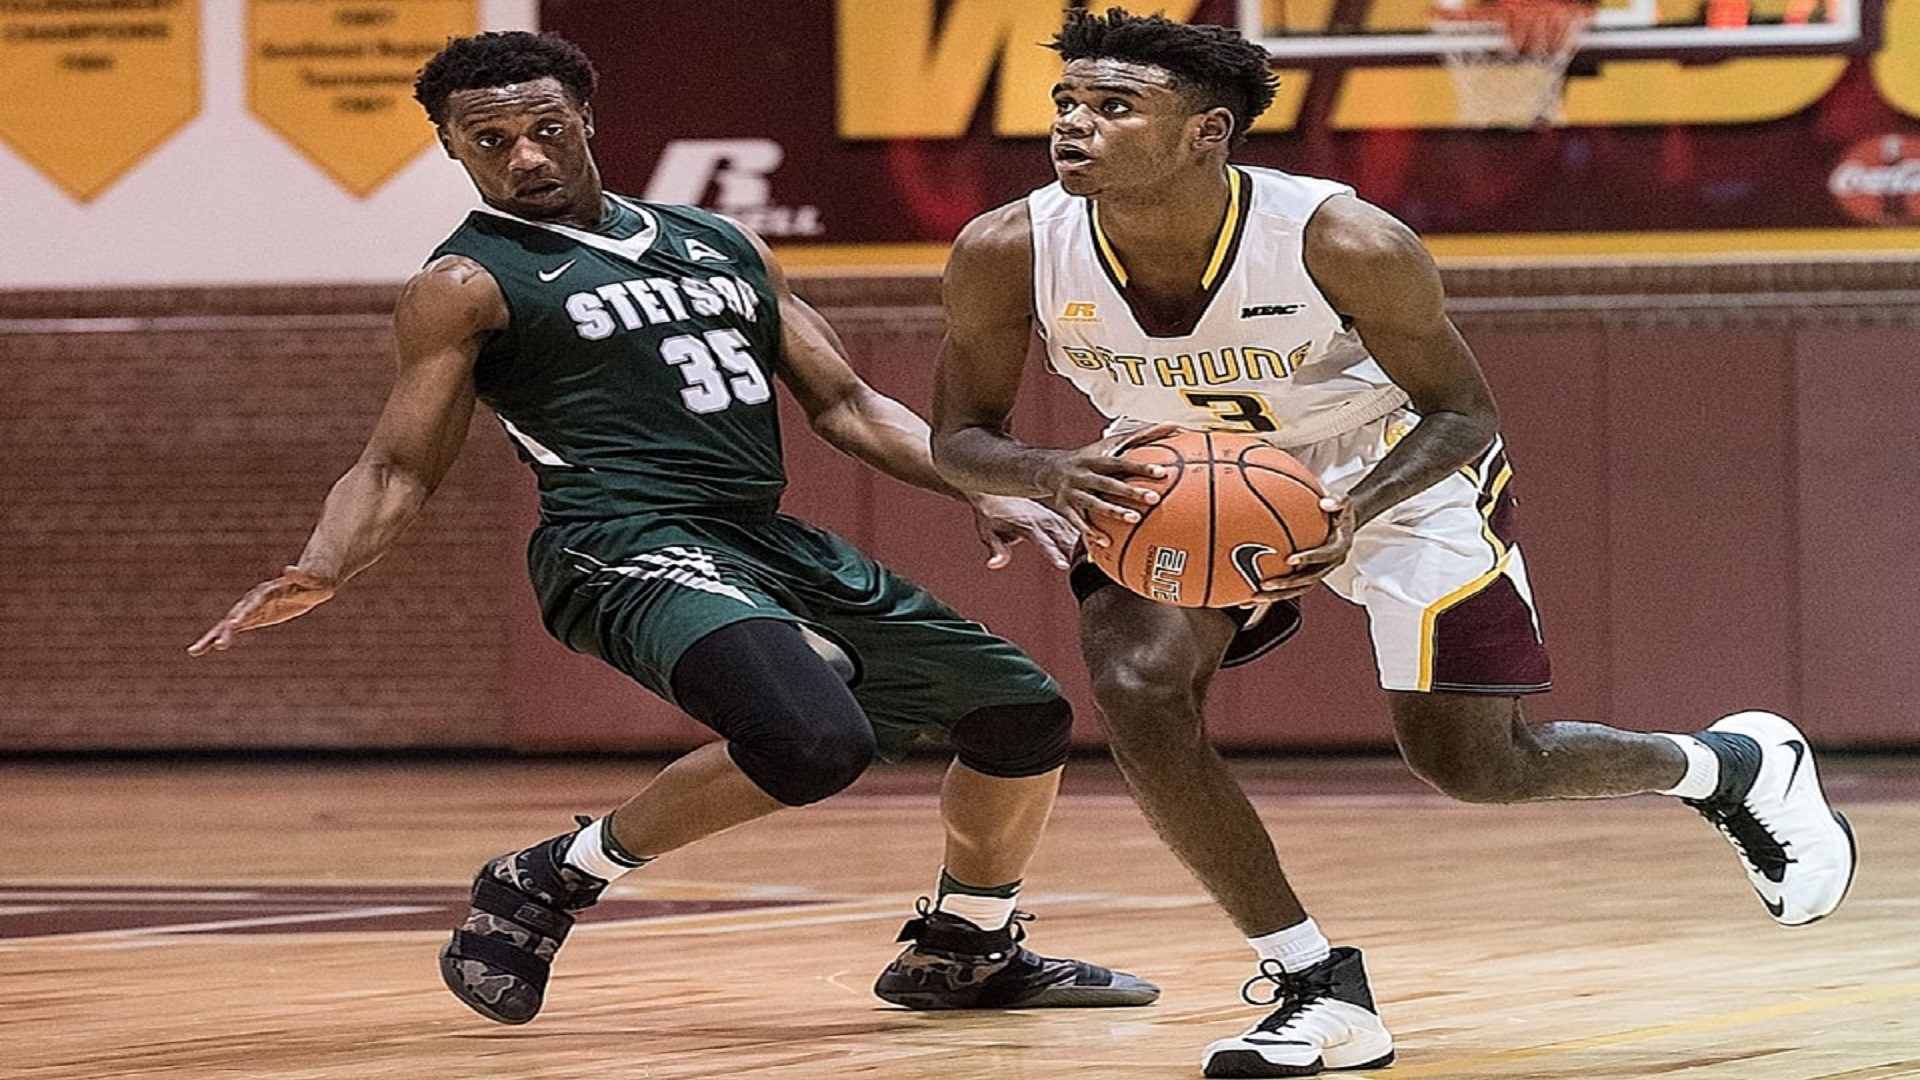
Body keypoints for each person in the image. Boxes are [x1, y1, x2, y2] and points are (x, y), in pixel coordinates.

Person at [930, 9, 1857, 1077]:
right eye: (1067, 104)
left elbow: (1463, 413)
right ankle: (1316, 987)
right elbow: (963, 436)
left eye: (1112, 105)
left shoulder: (1342, 238)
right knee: (1138, 686)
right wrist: (1044, 472)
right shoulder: (1008, 249)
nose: (1073, 127)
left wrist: (1353, 510)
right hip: (1176, 473)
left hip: (1390, 469)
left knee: (1475, 766)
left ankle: (1727, 767)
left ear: (1207, 131)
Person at [188, 30, 1157, 1027]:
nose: (524, 157)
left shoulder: (719, 241)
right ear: (452, 149)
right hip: (619, 542)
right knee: (810, 738)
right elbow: (399, 464)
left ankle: (965, 949)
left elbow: (850, 403)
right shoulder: (466, 284)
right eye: (491, 141)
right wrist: (325, 562)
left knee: (1019, 714)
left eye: (545, 130)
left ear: (586, 123)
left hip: (759, 538)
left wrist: (981, 485)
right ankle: (556, 875)